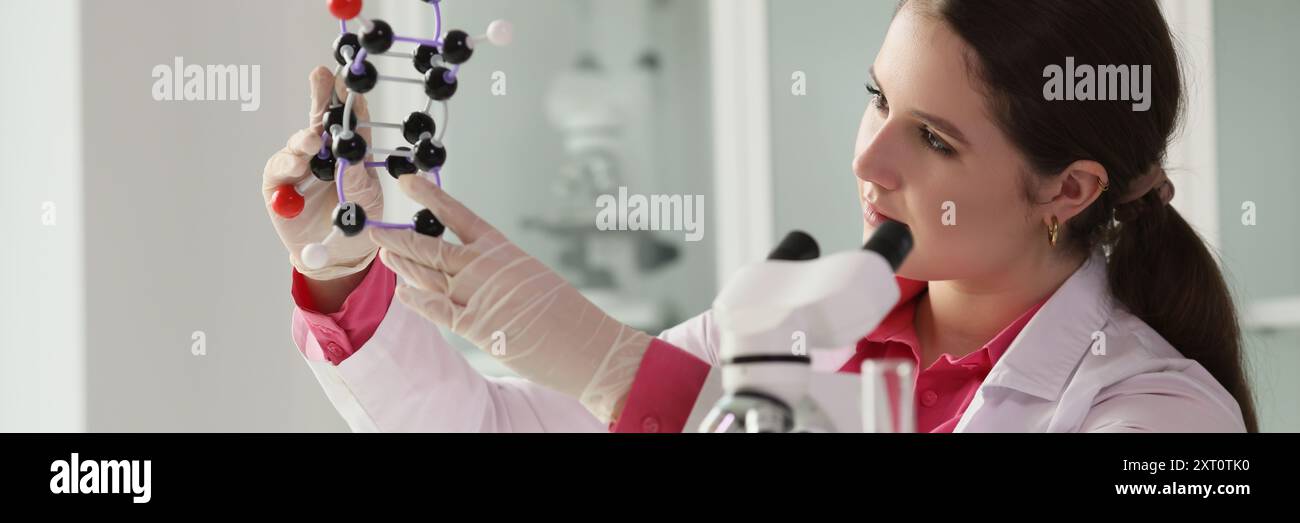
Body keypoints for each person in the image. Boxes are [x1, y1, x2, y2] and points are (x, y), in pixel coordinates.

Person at [261, 0, 1253, 432]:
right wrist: (342, 276)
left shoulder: (1163, 415)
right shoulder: (791, 327)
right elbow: (484, 426)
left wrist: (631, 378)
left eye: (935, 139)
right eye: (875, 99)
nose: (868, 159)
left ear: (1068, 189)